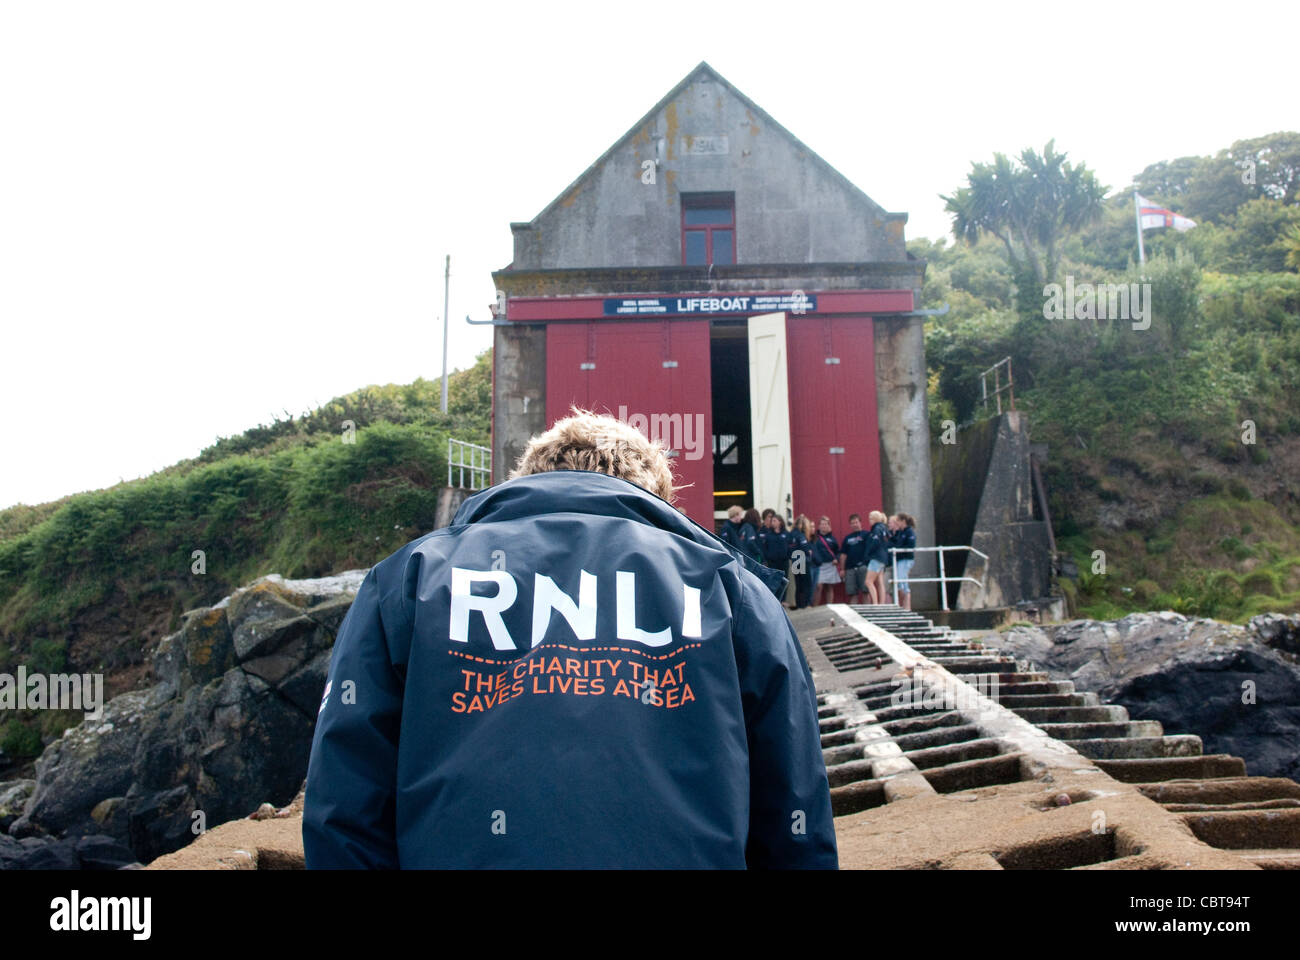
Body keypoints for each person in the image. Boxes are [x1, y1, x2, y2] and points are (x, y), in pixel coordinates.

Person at [302, 409, 837, 869]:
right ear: (656, 495)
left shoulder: (408, 579)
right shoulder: (732, 592)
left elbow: (344, 807)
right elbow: (793, 814)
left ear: (526, 477)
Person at [837, 514, 871, 605]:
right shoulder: (847, 538)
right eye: (852, 523)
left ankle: (867, 614)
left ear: (860, 523)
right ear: (850, 525)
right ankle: (853, 616)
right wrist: (842, 569)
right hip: (850, 569)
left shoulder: (867, 535)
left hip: (864, 567)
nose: (855, 524)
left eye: (856, 522)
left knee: (865, 592)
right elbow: (843, 555)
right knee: (852, 593)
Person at [759, 513, 792, 602]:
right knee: (773, 582)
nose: (772, 522)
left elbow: (791, 546)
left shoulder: (786, 534)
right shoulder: (768, 535)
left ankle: (782, 601)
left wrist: (788, 556)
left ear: (780, 522)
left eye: (774, 521)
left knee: (783, 581)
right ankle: (774, 601)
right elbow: (764, 548)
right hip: (772, 562)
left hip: (783, 562)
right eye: (772, 521)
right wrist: (766, 559)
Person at [889, 513, 918, 611]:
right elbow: (896, 542)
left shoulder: (909, 532)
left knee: (901, 582)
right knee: (901, 583)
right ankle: (905, 607)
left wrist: (899, 549)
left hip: (906, 559)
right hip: (900, 560)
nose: (896, 523)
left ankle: (906, 606)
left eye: (898, 521)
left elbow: (911, 545)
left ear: (903, 521)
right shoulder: (901, 532)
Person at [810, 516, 840, 606]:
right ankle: (815, 606)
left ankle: (829, 606)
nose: (823, 526)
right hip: (819, 565)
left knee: (829, 587)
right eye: (821, 524)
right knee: (818, 586)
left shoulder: (833, 539)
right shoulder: (814, 538)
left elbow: (838, 552)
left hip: (830, 565)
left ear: (828, 526)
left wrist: (836, 559)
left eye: (825, 524)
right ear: (818, 526)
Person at [863, 510, 891, 605]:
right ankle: (881, 603)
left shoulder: (876, 529)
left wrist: (867, 554)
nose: (869, 521)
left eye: (870, 518)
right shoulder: (885, 529)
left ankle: (875, 603)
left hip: (876, 557)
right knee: (880, 581)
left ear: (874, 519)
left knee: (868, 581)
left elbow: (874, 542)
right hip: (883, 558)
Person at [789, 515, 814, 610]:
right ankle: (806, 604)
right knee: (807, 584)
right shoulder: (801, 535)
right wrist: (809, 552)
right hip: (802, 559)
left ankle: (799, 604)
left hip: (795, 559)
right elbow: (804, 547)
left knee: (798, 584)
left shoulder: (791, 534)